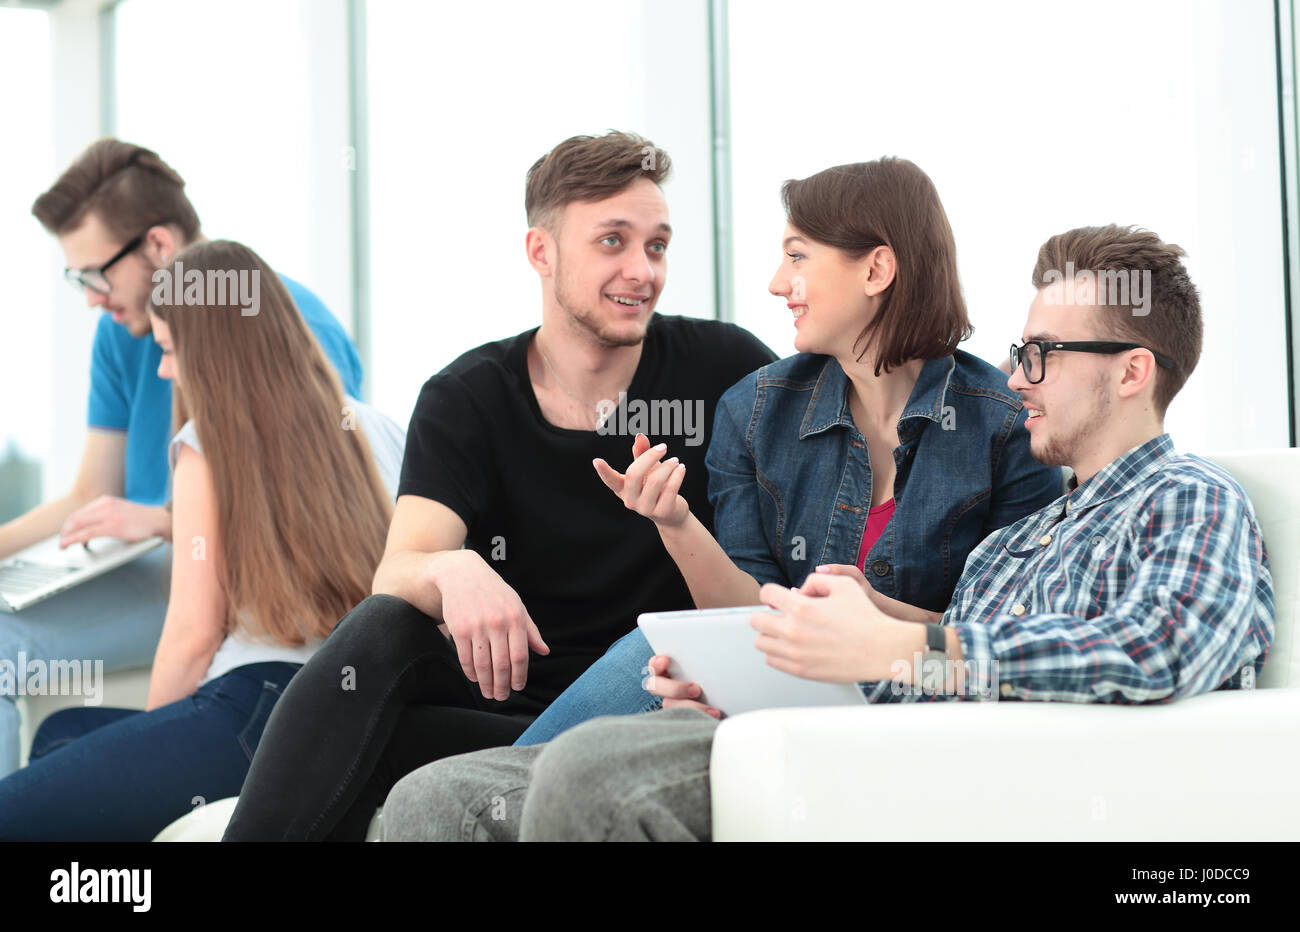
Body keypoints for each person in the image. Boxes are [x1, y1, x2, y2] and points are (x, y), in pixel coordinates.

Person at [381, 223, 1274, 842]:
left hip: (943, 776)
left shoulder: (1189, 498)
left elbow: (1154, 650)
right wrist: (753, 678)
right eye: (1018, 348)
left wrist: (900, 646)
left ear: (1132, 373)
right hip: (870, 734)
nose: (1015, 374)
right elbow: (914, 673)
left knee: (595, 772)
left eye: (1041, 354)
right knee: (441, 799)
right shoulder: (1015, 543)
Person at [220, 131, 777, 841]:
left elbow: (763, 591)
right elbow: (400, 569)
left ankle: (474, 793)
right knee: (386, 626)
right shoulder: (468, 395)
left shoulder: (726, 367)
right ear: (541, 252)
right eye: (613, 241)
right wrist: (452, 568)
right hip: (507, 711)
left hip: (648, 700)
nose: (642, 270)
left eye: (657, 245)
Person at [508, 157, 1063, 747]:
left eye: (798, 256)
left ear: (876, 269)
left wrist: (874, 626)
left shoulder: (1006, 428)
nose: (778, 282)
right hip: (782, 705)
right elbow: (751, 618)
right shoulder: (753, 411)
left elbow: (1003, 651)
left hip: (918, 726)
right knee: (636, 678)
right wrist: (674, 523)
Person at [0, 241, 403, 841]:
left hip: (250, 710)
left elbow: (191, 640)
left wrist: (154, 748)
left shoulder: (207, 445)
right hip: (347, 714)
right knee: (62, 733)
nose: (164, 369)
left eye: (168, 349)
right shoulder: (377, 427)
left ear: (212, 352)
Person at [0, 139, 363, 776]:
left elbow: (321, 514)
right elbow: (88, 493)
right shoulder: (121, 332)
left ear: (158, 248)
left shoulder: (285, 323)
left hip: (222, 581)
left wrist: (169, 521)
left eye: (96, 275)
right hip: (145, 570)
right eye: (77, 278)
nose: (90, 296)